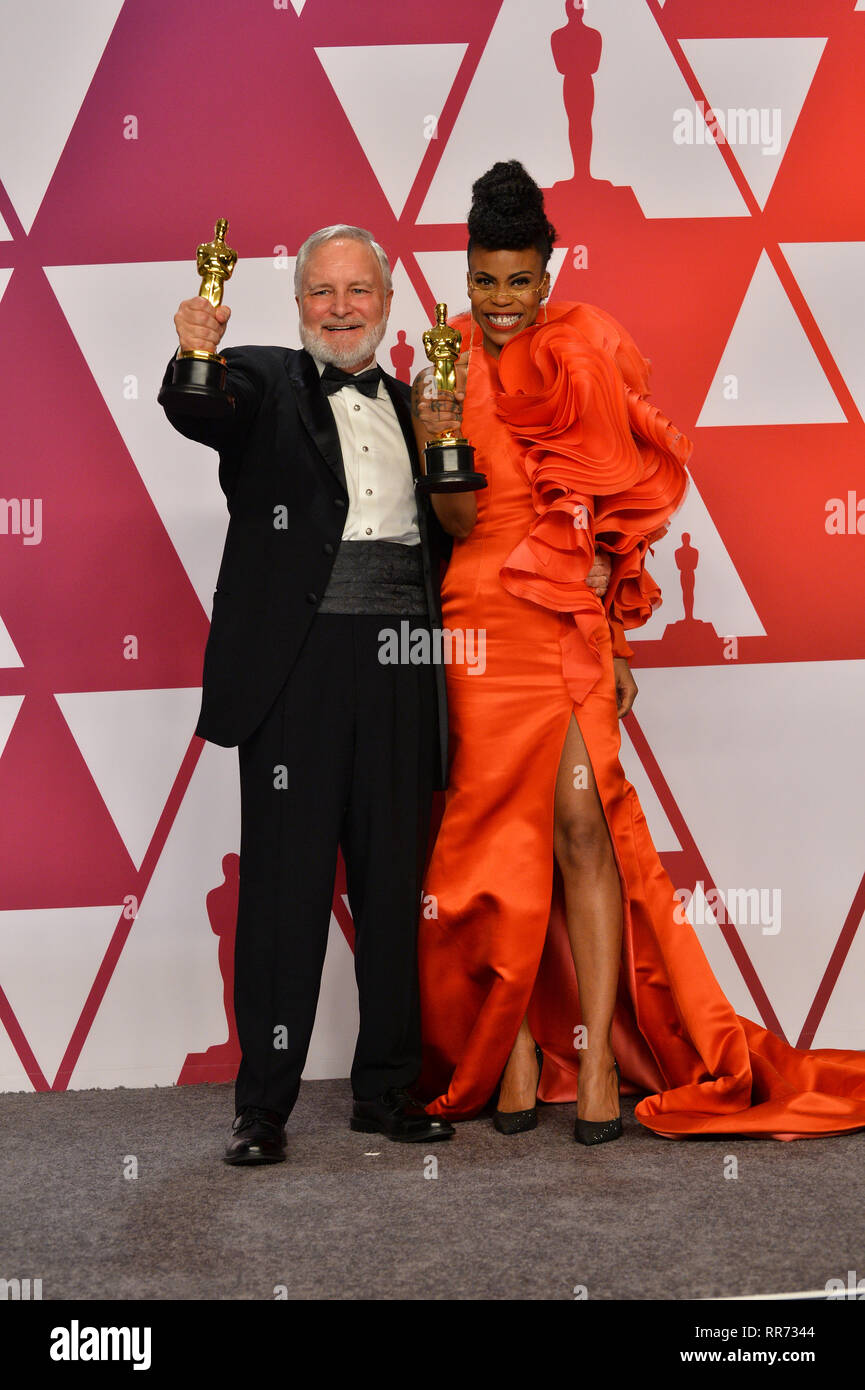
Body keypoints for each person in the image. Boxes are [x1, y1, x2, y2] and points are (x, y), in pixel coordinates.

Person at [412, 161, 865, 1143]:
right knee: (501, 843)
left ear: (548, 269)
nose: (500, 302)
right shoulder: (437, 362)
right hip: (480, 617)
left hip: (567, 619)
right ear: (465, 272)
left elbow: (618, 518)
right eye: (484, 280)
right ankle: (519, 1051)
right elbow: (452, 519)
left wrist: (613, 636)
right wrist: (441, 438)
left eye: (518, 280)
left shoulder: (589, 345)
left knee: (582, 828)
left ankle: (596, 1062)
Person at [160, 224, 459, 1164]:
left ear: (386, 302)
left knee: (390, 889)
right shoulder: (259, 381)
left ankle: (386, 1090)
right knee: (284, 896)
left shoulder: (422, 405)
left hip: (402, 667)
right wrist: (195, 350)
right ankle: (264, 1109)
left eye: (357, 292)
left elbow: (454, 530)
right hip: (295, 673)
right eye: (321, 293)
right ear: (297, 308)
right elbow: (197, 408)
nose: (340, 308)